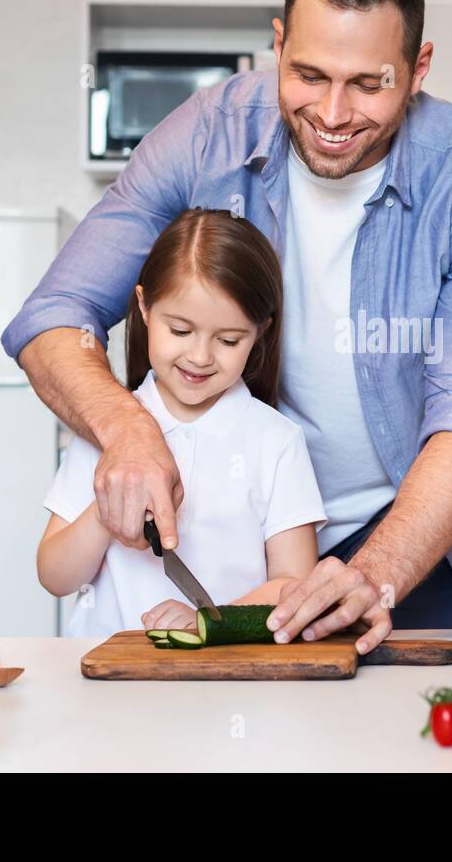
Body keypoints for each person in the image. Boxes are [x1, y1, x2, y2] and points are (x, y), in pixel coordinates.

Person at [3, 0, 452, 653]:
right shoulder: (205, 135)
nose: (334, 113)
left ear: (417, 69)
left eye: (369, 83)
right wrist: (129, 432)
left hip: (404, 537)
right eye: (309, 74)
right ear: (278, 44)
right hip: (244, 551)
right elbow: (54, 317)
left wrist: (373, 572)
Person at [36, 209, 326, 637]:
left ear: (260, 332)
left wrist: (211, 622)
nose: (200, 357)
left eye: (228, 340)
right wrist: (106, 511)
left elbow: (295, 585)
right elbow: (54, 578)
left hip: (228, 680)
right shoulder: (108, 431)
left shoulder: (276, 442)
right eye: (181, 331)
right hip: (107, 681)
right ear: (145, 307)